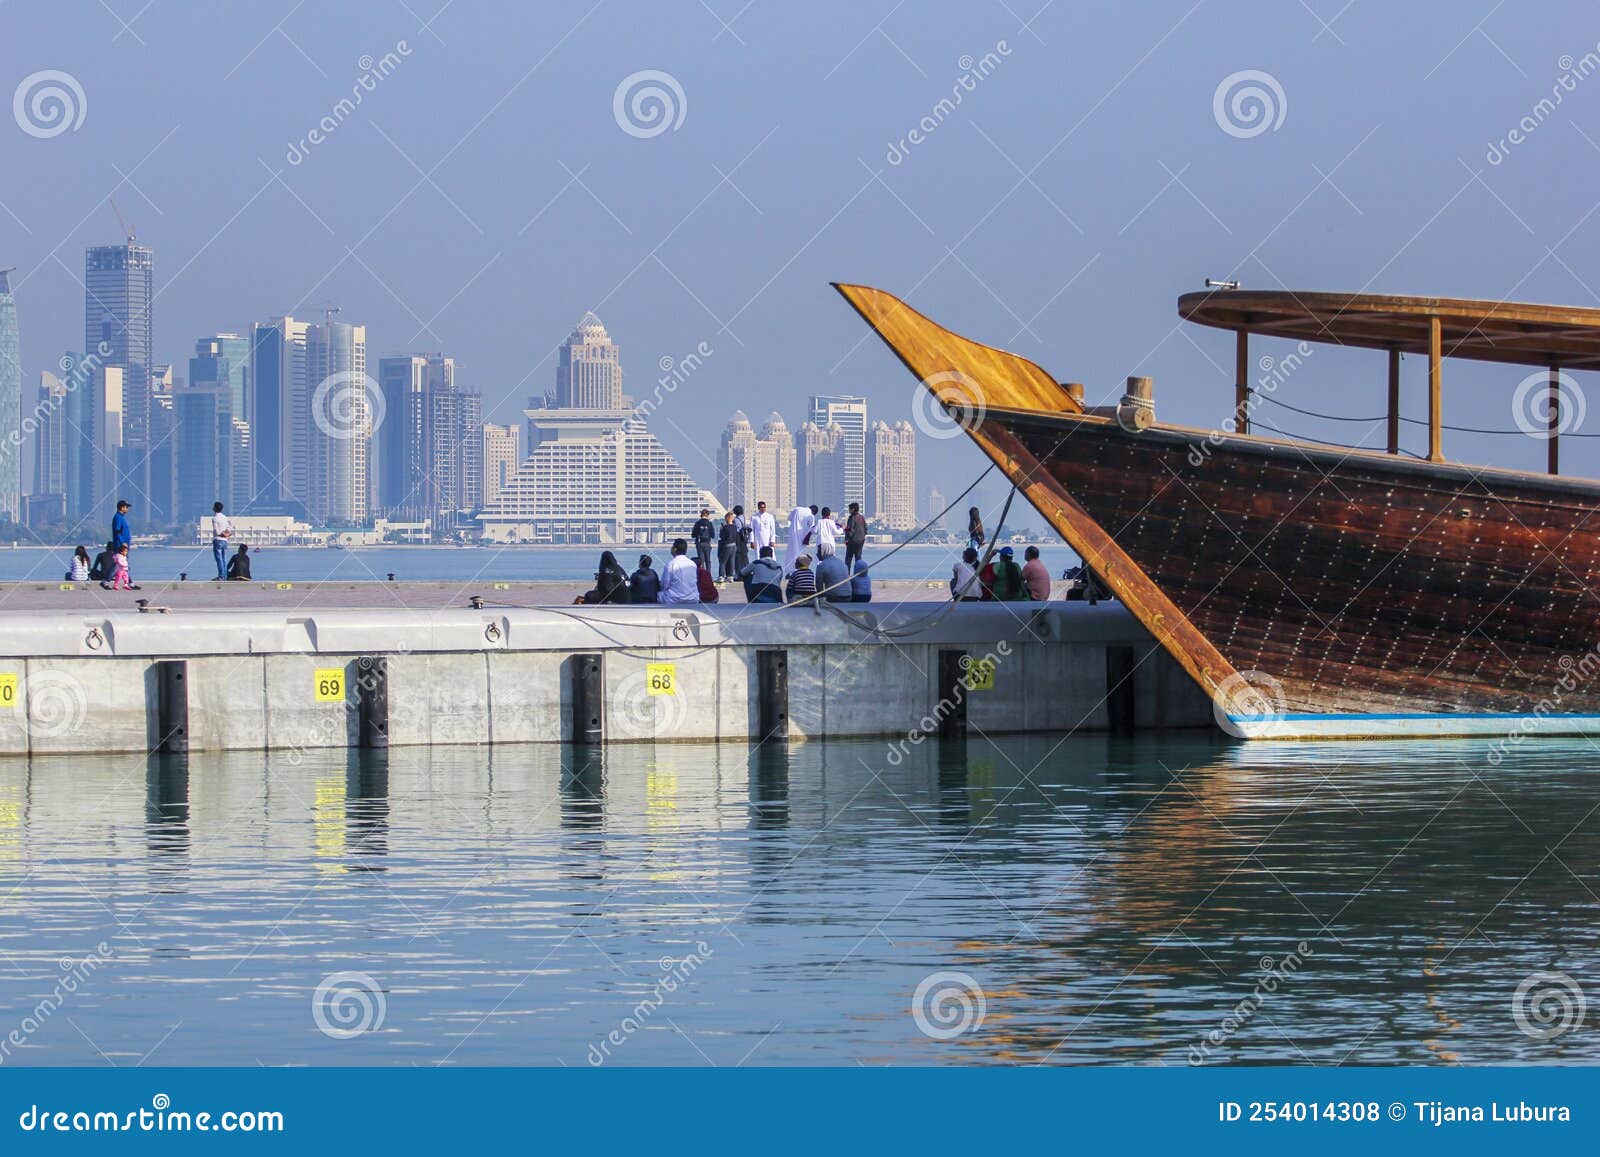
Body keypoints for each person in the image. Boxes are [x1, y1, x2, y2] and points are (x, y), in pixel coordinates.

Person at [658, 539, 701, 605]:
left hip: (673, 599)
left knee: (659, 594)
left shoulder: (670, 564)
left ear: (675, 549)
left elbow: (665, 585)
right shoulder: (692, 564)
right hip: (693, 598)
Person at [784, 504, 814, 576]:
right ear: (813, 512)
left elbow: (789, 518)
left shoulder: (796, 509)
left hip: (792, 535)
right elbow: (811, 528)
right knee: (800, 554)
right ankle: (799, 571)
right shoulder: (810, 515)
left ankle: (789, 572)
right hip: (802, 538)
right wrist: (807, 539)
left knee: (791, 553)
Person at [210, 500, 233, 581]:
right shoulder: (224, 517)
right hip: (225, 541)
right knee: (224, 559)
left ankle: (221, 576)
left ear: (214, 508)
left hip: (218, 540)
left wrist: (223, 534)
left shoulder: (214, 518)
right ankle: (224, 575)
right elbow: (229, 528)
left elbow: (217, 532)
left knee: (219, 559)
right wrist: (227, 535)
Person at [844, 501, 868, 568]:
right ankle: (858, 574)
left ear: (853, 509)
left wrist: (846, 539)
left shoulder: (852, 518)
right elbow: (866, 529)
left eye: (849, 509)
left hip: (853, 541)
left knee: (848, 558)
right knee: (858, 558)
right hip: (861, 540)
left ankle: (847, 575)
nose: (849, 511)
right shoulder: (862, 517)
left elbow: (849, 529)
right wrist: (862, 536)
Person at [717, 511, 740, 582]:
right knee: (731, 561)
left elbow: (722, 537)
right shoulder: (735, 527)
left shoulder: (725, 527)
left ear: (727, 518)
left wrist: (721, 530)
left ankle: (721, 576)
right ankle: (730, 576)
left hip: (727, 545)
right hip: (734, 545)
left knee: (722, 561)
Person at [691, 508, 715, 572]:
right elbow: (713, 535)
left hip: (699, 543)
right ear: (708, 515)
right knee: (708, 560)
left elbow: (693, 534)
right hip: (707, 543)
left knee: (701, 561)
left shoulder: (697, 523)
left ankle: (702, 575)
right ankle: (708, 575)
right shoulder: (710, 524)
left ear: (701, 515)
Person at [733, 505, 751, 573]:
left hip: (738, 538)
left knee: (738, 557)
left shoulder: (735, 520)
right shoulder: (743, 517)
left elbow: (736, 530)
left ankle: (739, 572)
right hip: (744, 539)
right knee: (745, 556)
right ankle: (747, 570)